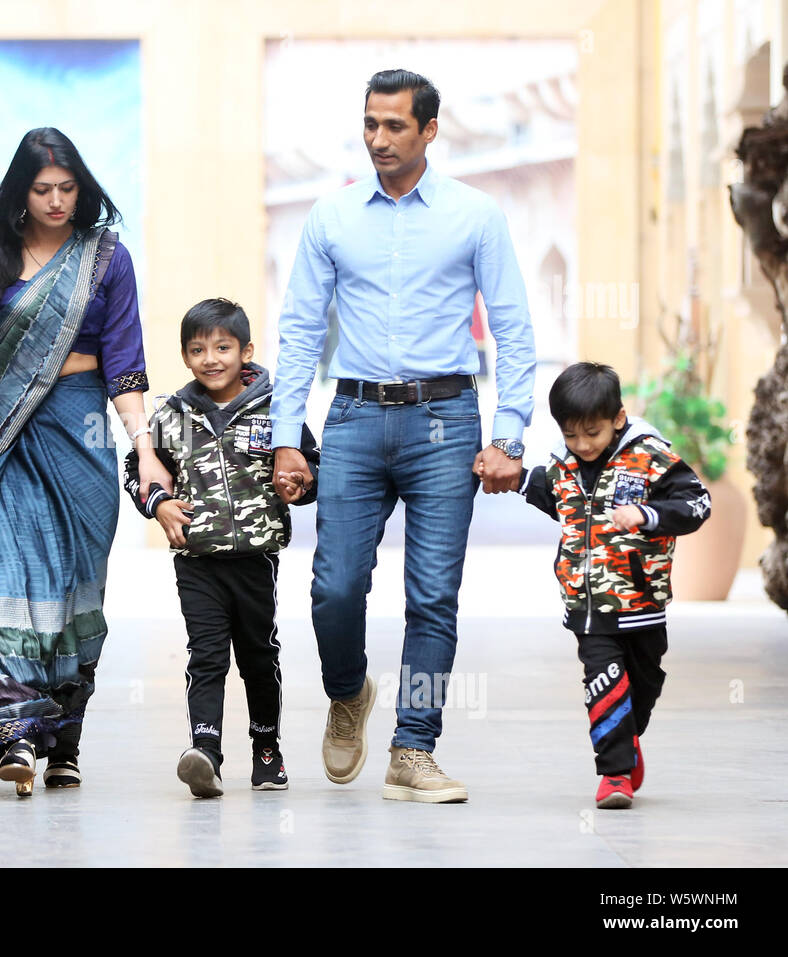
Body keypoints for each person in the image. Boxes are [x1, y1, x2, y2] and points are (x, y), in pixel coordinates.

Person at [271, 69, 537, 802]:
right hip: (354, 417)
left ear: (428, 130)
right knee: (335, 583)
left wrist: (509, 434)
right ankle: (348, 689)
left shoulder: (475, 215)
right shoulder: (331, 216)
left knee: (433, 596)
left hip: (446, 422)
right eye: (370, 124)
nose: (379, 138)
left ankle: (413, 746)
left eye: (394, 126)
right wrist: (286, 434)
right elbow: (298, 332)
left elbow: (512, 327)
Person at [0, 127, 170, 795]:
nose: (57, 200)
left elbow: (127, 366)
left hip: (81, 436)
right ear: (20, 191)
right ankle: (15, 733)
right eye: (43, 190)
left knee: (71, 591)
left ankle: (66, 739)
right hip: (1, 439)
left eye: (68, 188)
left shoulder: (105, 259)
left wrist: (143, 449)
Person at [122, 298, 319, 797]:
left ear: (246, 350)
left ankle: (266, 750)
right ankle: (204, 752)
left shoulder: (278, 409)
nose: (211, 358)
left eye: (223, 347)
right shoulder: (172, 415)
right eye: (197, 349)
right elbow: (136, 471)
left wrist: (302, 484)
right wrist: (160, 504)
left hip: (256, 559)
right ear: (185, 357)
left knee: (257, 655)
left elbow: (311, 466)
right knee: (206, 655)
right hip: (197, 560)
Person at [502, 362, 711, 809]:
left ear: (617, 419)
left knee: (645, 683)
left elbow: (697, 503)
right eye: (571, 435)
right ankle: (614, 775)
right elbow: (550, 495)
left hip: (642, 602)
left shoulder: (650, 457)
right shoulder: (564, 465)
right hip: (587, 606)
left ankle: (627, 739)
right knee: (603, 683)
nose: (582, 445)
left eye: (592, 434)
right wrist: (514, 479)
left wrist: (649, 515)